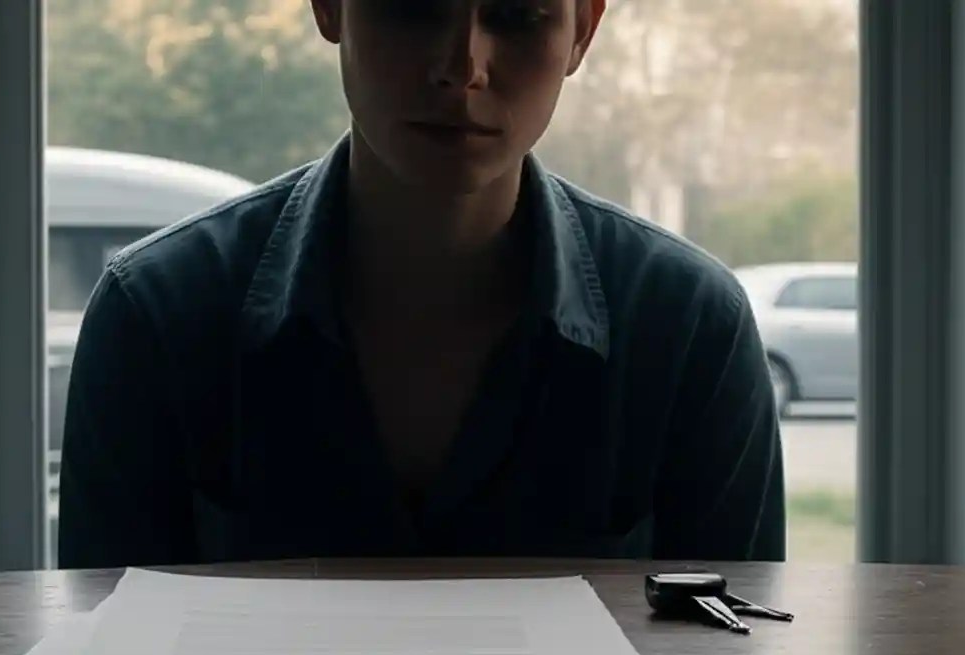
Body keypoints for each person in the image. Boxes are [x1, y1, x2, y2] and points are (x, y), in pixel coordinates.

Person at [58, 0, 784, 569]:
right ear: (330, 6)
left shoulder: (688, 328)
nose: (462, 65)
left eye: (517, 15)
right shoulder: (158, 315)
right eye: (412, 6)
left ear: (582, 32)